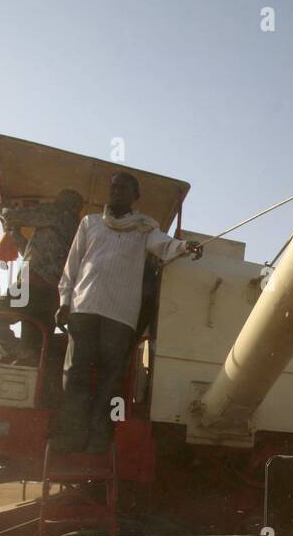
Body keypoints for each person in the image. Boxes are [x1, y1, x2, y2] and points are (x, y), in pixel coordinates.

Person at [55, 171, 202, 454]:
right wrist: (64, 302)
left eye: (123, 189)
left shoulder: (144, 229)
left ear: (135, 197)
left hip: (120, 317)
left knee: (112, 380)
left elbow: (166, 245)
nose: (116, 193)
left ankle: (98, 439)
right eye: (113, 188)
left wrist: (186, 247)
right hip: (84, 308)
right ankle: (71, 438)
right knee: (76, 374)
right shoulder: (90, 223)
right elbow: (71, 267)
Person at [0, 189, 84, 365]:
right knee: (34, 351)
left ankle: (11, 349)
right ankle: (24, 360)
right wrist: (16, 234)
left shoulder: (56, 212)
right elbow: (34, 253)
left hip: (30, 287)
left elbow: (14, 216)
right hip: (52, 296)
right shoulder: (77, 228)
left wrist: (0, 208)